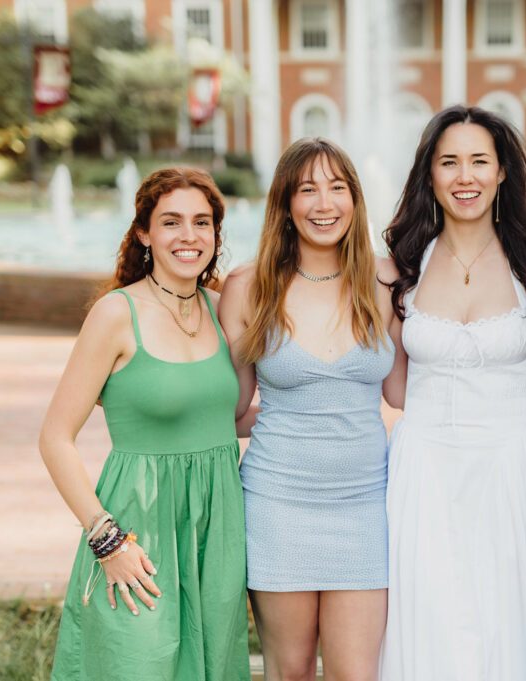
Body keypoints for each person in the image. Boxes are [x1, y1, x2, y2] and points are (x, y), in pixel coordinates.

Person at [40, 168, 250, 681]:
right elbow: (54, 437)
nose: (189, 236)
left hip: (216, 528)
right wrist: (105, 537)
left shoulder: (223, 311)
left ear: (216, 235)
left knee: (212, 667)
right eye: (171, 222)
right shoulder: (116, 313)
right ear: (144, 233)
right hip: (138, 525)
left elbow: (226, 419)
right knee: (135, 665)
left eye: (202, 223)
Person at [378, 105, 526, 681]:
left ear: (503, 172)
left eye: (480, 161)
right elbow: (394, 385)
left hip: (510, 468)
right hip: (423, 466)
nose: (465, 176)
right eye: (449, 162)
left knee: (506, 624)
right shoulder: (399, 267)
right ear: (429, 174)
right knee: (426, 623)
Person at [218, 138, 399, 681]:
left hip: (365, 504)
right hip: (277, 502)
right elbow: (231, 407)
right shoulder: (249, 287)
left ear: (355, 199)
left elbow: (410, 390)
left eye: (337, 188)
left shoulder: (386, 280)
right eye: (308, 189)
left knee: (355, 674)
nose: (325, 204)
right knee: (289, 670)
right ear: (285, 203)